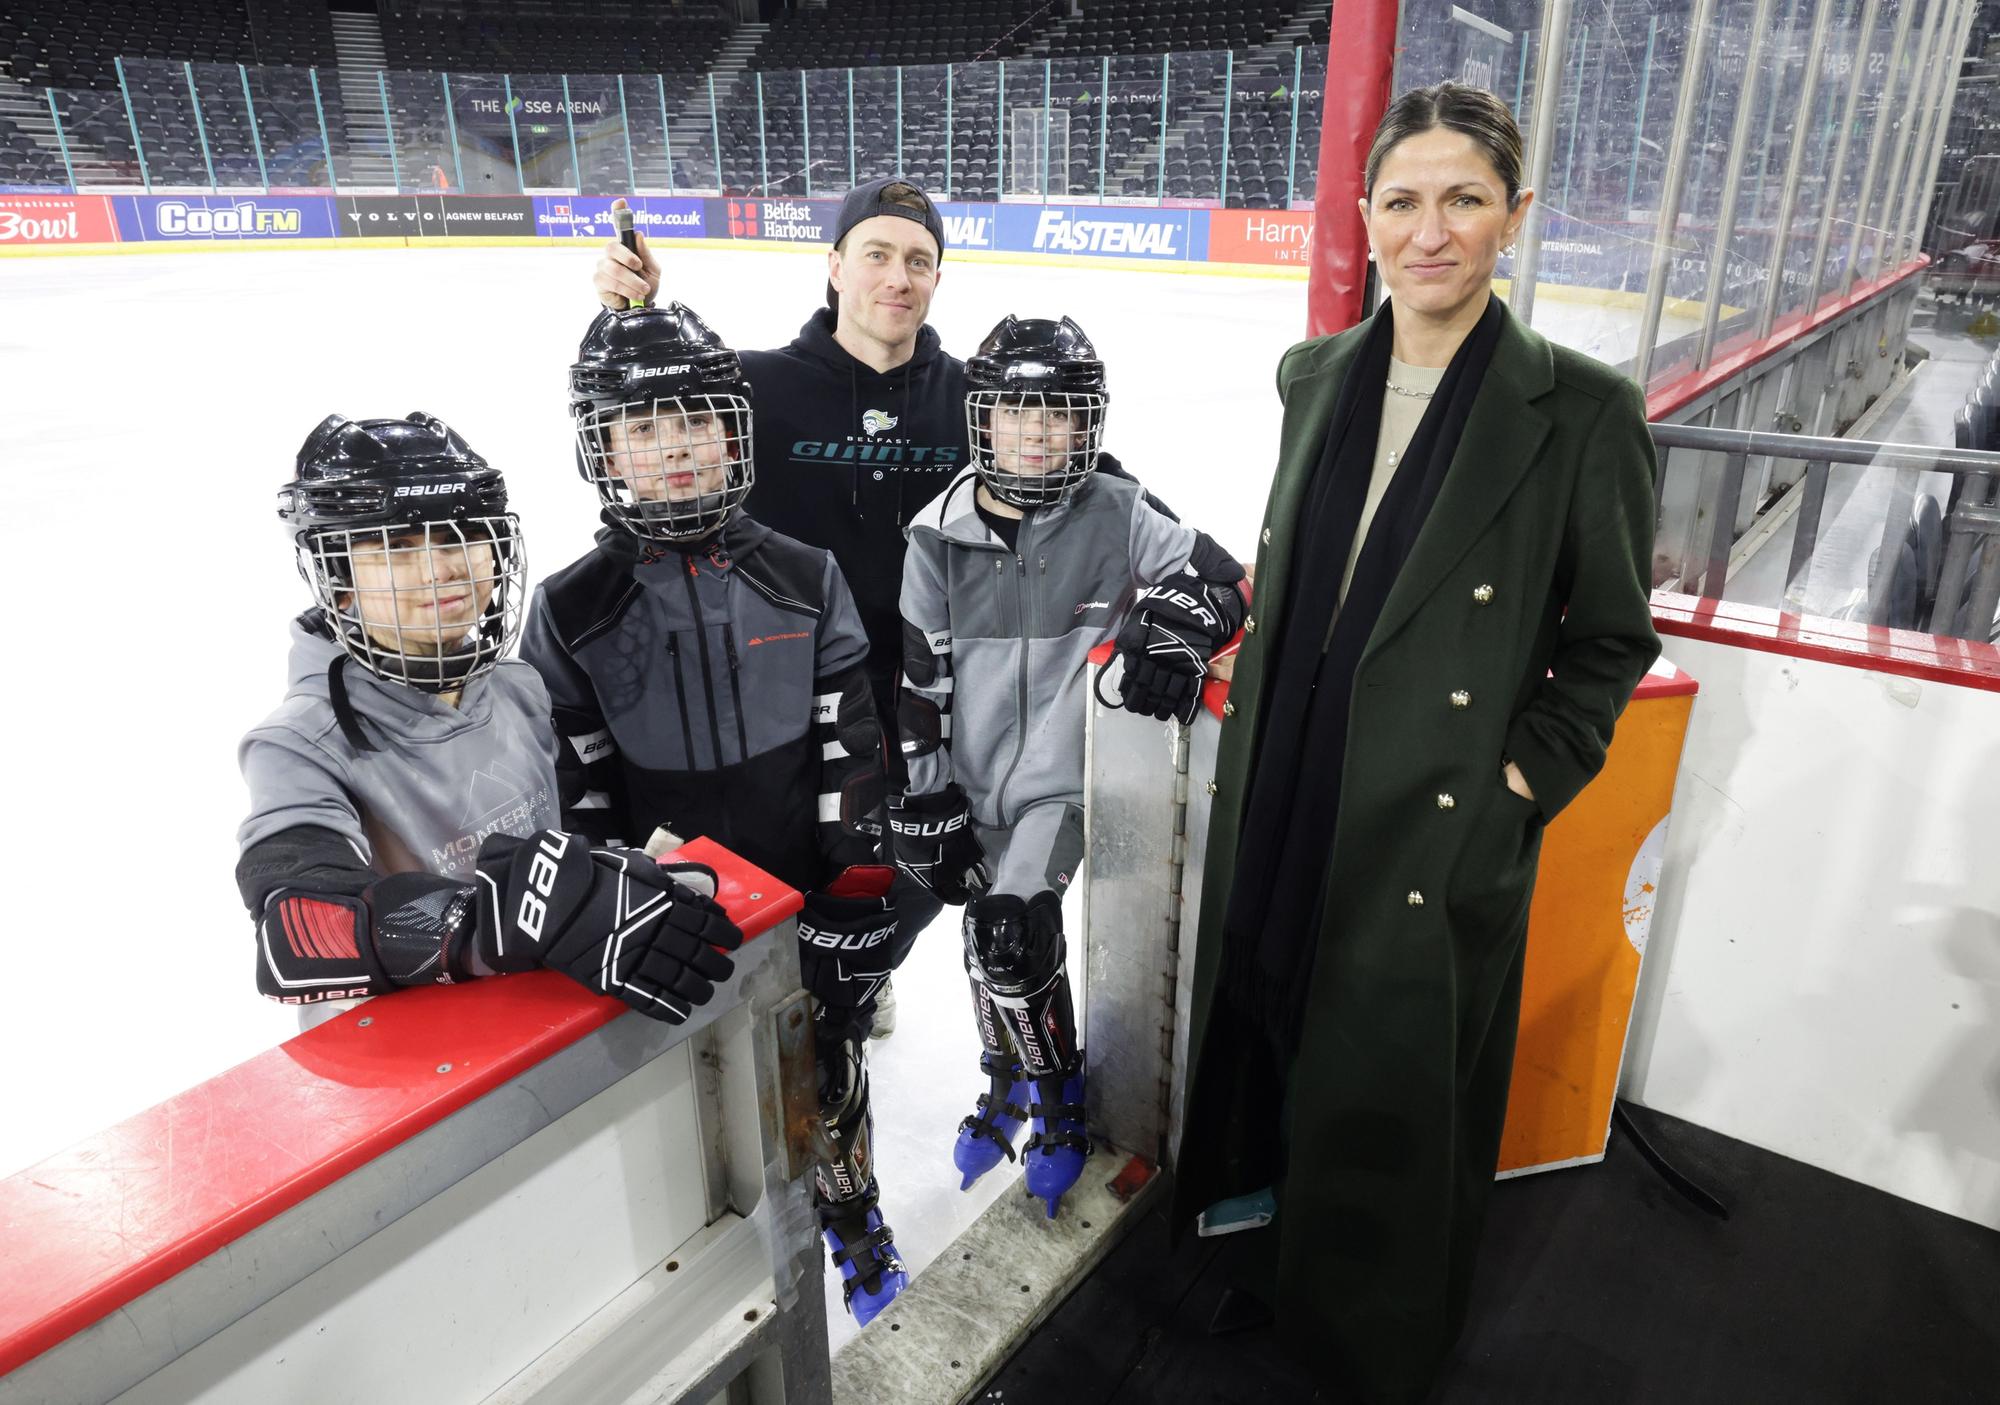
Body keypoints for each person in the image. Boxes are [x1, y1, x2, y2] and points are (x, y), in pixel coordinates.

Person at [1171, 83, 1664, 1403]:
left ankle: (1371, 1343)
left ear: (1515, 216)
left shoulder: (1582, 411)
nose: (1429, 229)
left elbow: (1612, 637)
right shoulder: (1316, 375)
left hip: (1432, 805)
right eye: (1402, 199)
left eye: (1463, 198)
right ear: (1365, 215)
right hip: (1287, 775)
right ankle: (1270, 1268)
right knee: (1271, 1021)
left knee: (1393, 1082)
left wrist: (1523, 779)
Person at [592, 178, 1178, 1035]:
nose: (897, 277)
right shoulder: (757, 386)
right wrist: (625, 317)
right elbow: (649, 429)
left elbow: (1086, 477)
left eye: (919, 260)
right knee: (795, 865)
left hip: (927, 702)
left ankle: (863, 974)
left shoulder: (972, 400)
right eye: (877, 254)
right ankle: (801, 1009)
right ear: (834, 265)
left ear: (938, 278)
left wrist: (1192, 574)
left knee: (911, 873)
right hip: (785, 696)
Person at [519, 301, 911, 1325]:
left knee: (821, 1071)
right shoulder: (568, 611)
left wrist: (857, 892)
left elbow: (851, 749)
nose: (674, 448)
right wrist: (619, 914)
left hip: (797, 906)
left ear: (734, 432)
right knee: (682, 1127)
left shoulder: (803, 574)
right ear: (600, 447)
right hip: (665, 921)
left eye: (695, 419)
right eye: (642, 429)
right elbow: (578, 797)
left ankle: (852, 1211)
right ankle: (704, 1293)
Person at [889, 315, 1245, 1218]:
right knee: (983, 940)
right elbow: (921, 682)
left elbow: (1223, 580)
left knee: (1015, 931)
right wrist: (927, 799)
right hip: (973, 787)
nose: (1040, 432)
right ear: (983, 420)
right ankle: (1004, 1067)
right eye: (1017, 413)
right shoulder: (933, 536)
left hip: (1061, 786)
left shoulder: (1119, 509)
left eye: (1061, 414)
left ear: (1090, 423)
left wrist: (1173, 623)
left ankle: (1057, 1096)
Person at [236, 413, 743, 1029]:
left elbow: (548, 847)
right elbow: (304, 934)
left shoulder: (517, 688)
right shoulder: (297, 744)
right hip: (419, 1080)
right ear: (336, 579)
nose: (439, 570)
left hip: (543, 1030)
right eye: (395, 547)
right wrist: (514, 917)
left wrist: (614, 879)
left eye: (458, 537)